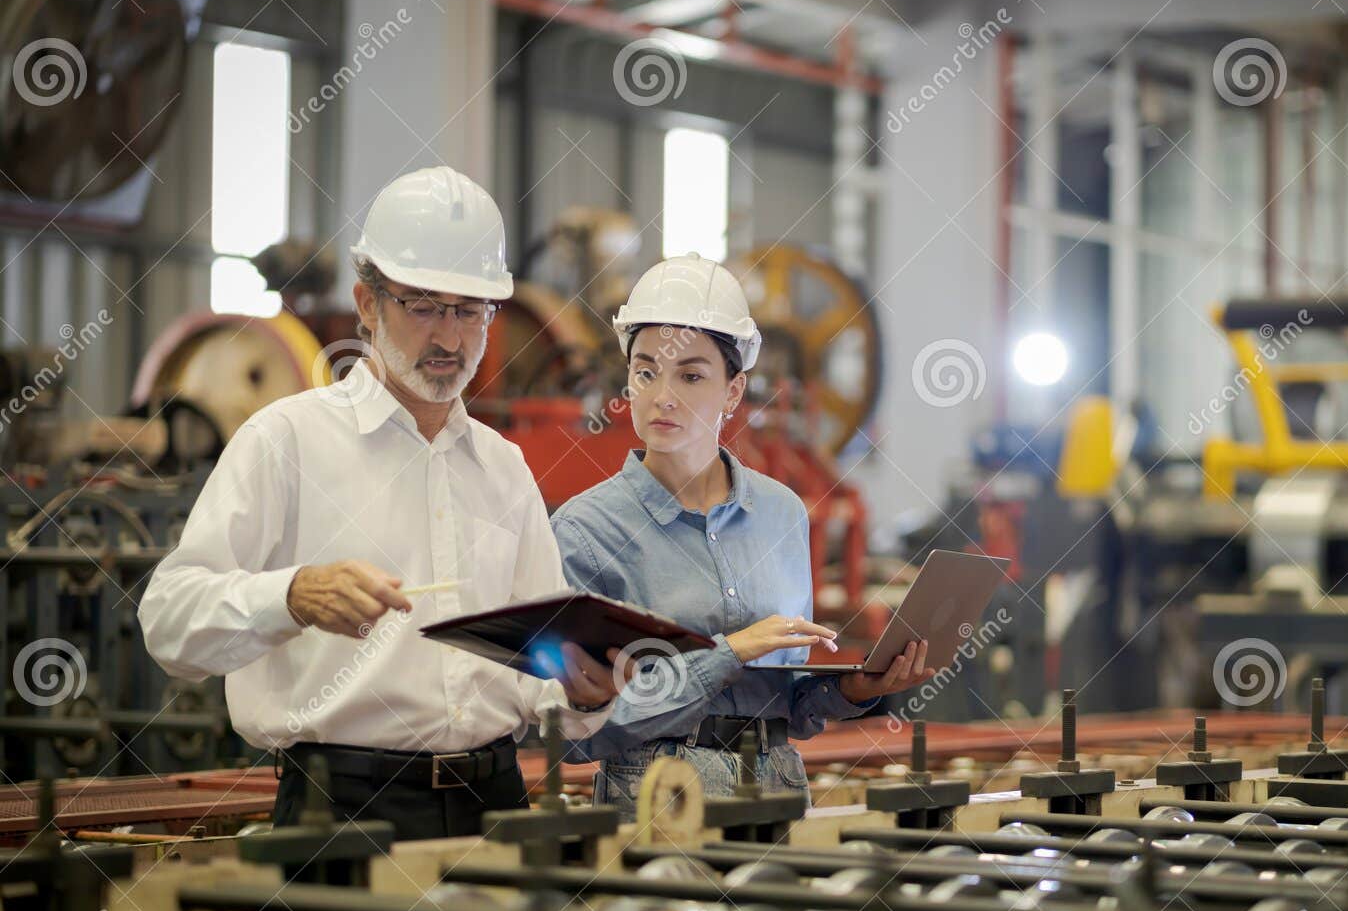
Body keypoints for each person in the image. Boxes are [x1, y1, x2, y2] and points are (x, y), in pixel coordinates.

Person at [139, 166, 618, 840]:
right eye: (423, 306)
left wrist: (582, 690)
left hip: (495, 802)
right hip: (343, 809)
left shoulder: (503, 467)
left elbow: (537, 663)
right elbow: (168, 622)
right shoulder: (286, 441)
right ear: (367, 304)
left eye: (469, 311)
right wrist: (291, 596)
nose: (449, 339)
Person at [551, 254, 933, 820]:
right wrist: (728, 654)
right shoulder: (586, 530)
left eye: (691, 376)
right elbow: (577, 734)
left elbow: (791, 700)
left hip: (777, 787)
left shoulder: (782, 513)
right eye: (646, 372)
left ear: (734, 391)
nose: (662, 396)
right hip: (659, 800)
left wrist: (858, 688)